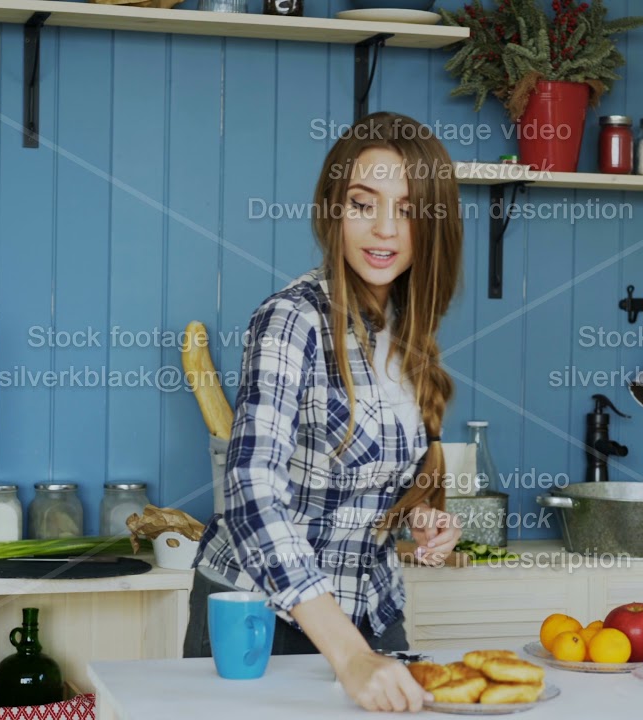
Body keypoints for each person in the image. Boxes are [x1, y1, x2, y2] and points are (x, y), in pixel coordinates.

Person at [183, 111, 464, 713]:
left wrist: (416, 521)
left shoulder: (408, 325)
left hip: (374, 609)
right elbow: (250, 489)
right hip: (264, 617)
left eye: (408, 208)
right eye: (364, 204)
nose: (385, 229)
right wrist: (349, 654)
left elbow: (359, 484)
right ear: (334, 208)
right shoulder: (293, 319)